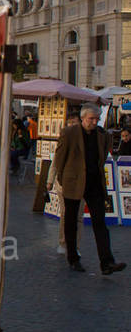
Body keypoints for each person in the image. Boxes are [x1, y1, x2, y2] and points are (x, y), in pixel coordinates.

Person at [53, 104, 125, 275]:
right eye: (91, 119)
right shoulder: (69, 133)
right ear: (83, 118)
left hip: (94, 184)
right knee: (71, 222)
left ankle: (107, 262)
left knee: (100, 223)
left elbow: (102, 158)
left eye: (96, 118)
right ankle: (73, 258)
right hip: (73, 183)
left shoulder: (102, 135)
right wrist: (63, 179)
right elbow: (60, 158)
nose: (94, 122)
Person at [47, 111, 81, 255]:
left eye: (75, 122)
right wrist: (50, 180)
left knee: (78, 216)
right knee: (66, 213)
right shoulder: (65, 138)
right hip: (64, 184)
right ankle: (63, 241)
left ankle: (75, 247)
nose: (72, 125)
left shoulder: (84, 140)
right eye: (70, 123)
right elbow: (56, 161)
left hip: (80, 183)